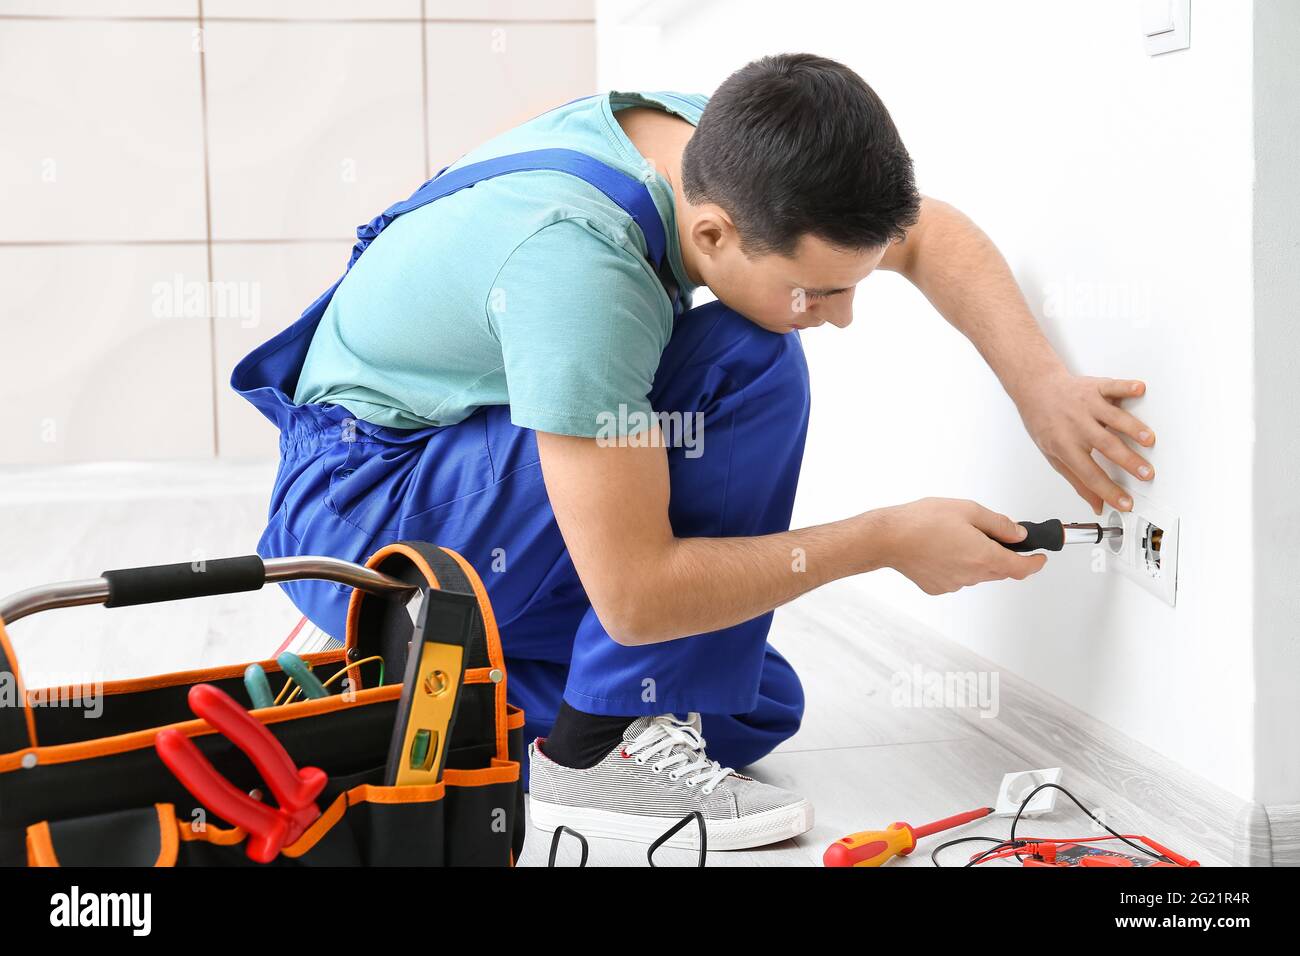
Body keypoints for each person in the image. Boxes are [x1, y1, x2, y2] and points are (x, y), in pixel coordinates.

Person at [232, 53, 1155, 850]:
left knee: (749, 706)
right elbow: (636, 600)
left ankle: (408, 679)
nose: (841, 315)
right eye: (818, 291)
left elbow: (927, 232)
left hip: (445, 460)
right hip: (370, 508)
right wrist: (882, 541)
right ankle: (585, 755)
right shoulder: (581, 274)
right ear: (712, 234)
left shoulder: (722, 150)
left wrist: (1042, 390)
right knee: (753, 368)